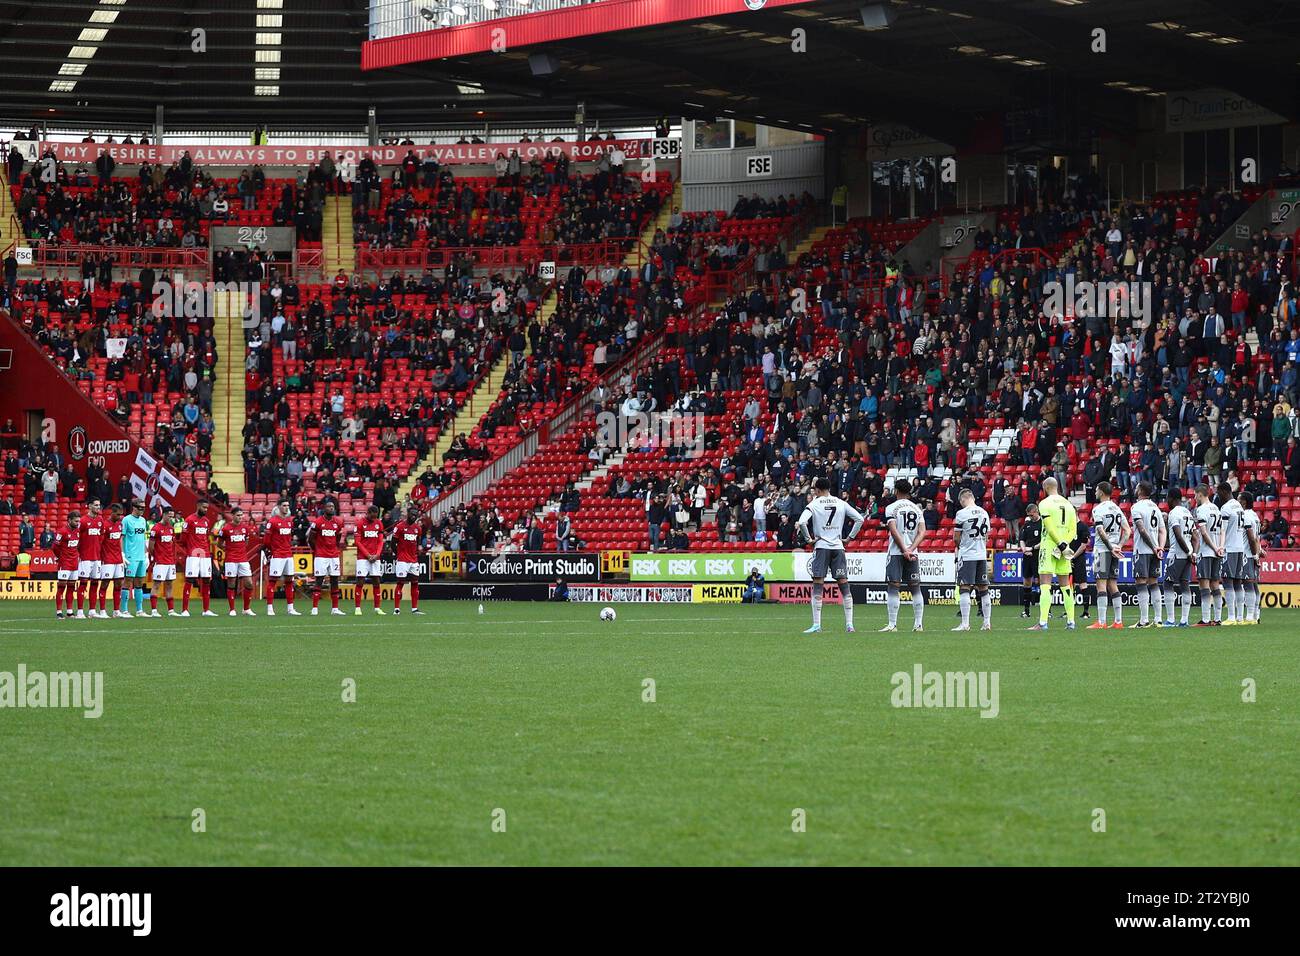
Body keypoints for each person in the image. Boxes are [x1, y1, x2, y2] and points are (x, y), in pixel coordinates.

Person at [795, 476, 864, 634]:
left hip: (821, 547)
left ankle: (817, 625)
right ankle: (849, 625)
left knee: (818, 584)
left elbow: (802, 522)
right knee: (844, 585)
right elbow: (859, 519)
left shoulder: (814, 503)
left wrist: (809, 540)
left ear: (817, 490)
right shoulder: (841, 502)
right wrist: (849, 538)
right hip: (838, 547)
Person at [1029, 477, 1077, 631]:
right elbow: (1073, 531)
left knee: (1045, 585)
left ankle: (1043, 622)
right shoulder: (1068, 504)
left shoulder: (1044, 504)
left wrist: (1059, 545)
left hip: (1050, 546)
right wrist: (1064, 545)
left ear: (1045, 487)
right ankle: (1071, 621)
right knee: (1066, 586)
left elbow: (1049, 528)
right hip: (1064, 547)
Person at [881, 478, 926, 633]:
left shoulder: (891, 508)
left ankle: (892, 624)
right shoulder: (917, 509)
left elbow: (894, 531)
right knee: (916, 588)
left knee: (893, 587)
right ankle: (918, 624)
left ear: (896, 491)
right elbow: (922, 532)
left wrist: (903, 550)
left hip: (896, 552)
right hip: (913, 553)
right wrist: (911, 549)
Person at [1089, 481, 1130, 630]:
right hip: (1114, 550)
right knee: (1113, 584)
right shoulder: (1118, 509)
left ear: (1101, 492)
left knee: (1101, 585)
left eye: (1096, 490)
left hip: (1102, 550)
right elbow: (1127, 531)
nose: (1094, 492)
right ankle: (1118, 621)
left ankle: (1101, 622)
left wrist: (1110, 547)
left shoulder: (1098, 509)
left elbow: (1100, 530)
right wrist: (1118, 545)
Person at [952, 488, 991, 631]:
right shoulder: (984, 513)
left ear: (963, 499)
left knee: (964, 588)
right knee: (984, 589)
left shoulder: (961, 514)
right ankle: (986, 623)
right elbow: (987, 536)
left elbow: (956, 538)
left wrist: (960, 547)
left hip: (968, 555)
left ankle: (965, 623)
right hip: (981, 554)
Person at [1128, 481, 1165, 628]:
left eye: (1137, 487)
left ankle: (1144, 620)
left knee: (1141, 583)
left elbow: (1142, 530)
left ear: (1140, 490)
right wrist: (1160, 548)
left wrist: (1154, 547)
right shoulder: (1156, 507)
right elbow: (1163, 530)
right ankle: (1158, 619)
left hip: (1143, 550)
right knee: (1154, 583)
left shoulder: (1136, 507)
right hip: (1155, 551)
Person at [1192, 484, 1225, 626]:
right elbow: (1223, 530)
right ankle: (1217, 619)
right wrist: (1220, 547)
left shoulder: (1201, 510)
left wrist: (1213, 547)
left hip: (1206, 552)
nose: (1194, 498)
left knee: (1204, 585)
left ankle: (1205, 619)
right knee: (1215, 585)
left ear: (1200, 494)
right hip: (1217, 552)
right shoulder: (1216, 509)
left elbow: (1204, 533)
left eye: (1195, 495)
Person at [1163, 488, 1196, 627]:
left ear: (1171, 498)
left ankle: (1170, 620)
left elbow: (1178, 535)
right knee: (1184, 585)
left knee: (1168, 584)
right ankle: (1184, 620)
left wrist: (1188, 552)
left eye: (1167, 499)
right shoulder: (1187, 512)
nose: (1166, 501)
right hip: (1187, 555)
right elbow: (1196, 537)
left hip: (1177, 554)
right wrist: (1193, 553)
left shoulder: (1174, 513)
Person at [262, 501, 300, 615]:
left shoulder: (289, 521)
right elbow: (266, 541)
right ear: (278, 507)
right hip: (278, 555)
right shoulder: (272, 521)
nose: (286, 507)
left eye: (288, 505)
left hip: (288, 554)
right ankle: (269, 608)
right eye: (284, 505)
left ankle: (290, 608)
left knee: (289, 581)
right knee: (273, 581)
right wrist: (273, 550)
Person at [309, 501, 347, 615]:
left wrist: (333, 548)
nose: (331, 508)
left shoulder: (338, 522)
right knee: (319, 580)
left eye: (333, 507)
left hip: (333, 555)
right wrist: (317, 550)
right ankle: (315, 608)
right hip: (321, 556)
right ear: (324, 509)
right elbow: (311, 539)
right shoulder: (318, 522)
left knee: (335, 580)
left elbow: (338, 537)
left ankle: (335, 609)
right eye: (329, 506)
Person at [181, 501, 217, 616]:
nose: (206, 510)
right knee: (190, 580)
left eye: (207, 508)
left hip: (205, 555)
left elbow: (206, 538)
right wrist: (191, 548)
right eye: (204, 507)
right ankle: (185, 610)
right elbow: (183, 539)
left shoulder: (207, 521)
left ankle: (206, 610)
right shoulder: (189, 520)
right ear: (197, 506)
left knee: (206, 580)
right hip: (193, 555)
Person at [1217, 483, 1246, 626]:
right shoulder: (1239, 506)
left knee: (1228, 582)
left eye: (1219, 493)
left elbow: (1223, 530)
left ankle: (1231, 617)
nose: (1218, 496)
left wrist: (1221, 547)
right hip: (1240, 548)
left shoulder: (1226, 508)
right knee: (1237, 583)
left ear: (1224, 491)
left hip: (1230, 548)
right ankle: (1240, 617)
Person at [220, 507, 257, 616]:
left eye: (241, 515)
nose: (240, 517)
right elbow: (219, 543)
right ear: (233, 516)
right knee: (231, 583)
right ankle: (232, 609)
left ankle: (246, 609)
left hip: (243, 559)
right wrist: (229, 549)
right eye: (238, 515)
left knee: (249, 583)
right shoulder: (226, 528)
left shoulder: (245, 528)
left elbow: (246, 541)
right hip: (231, 559)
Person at [392, 505, 427, 615]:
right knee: (400, 583)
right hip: (402, 560)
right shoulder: (400, 527)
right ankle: (397, 609)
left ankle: (414, 609)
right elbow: (393, 543)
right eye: (412, 514)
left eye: (415, 515)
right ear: (408, 514)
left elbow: (418, 542)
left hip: (413, 560)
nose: (414, 516)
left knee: (415, 583)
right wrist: (398, 554)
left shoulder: (418, 528)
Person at [353, 505, 387, 615]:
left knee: (376, 581)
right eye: (372, 516)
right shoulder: (359, 523)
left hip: (375, 557)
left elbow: (381, 541)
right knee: (360, 581)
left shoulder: (379, 523)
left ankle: (377, 608)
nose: (374, 519)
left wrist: (377, 554)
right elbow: (358, 542)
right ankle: (357, 608)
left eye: (375, 516)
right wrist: (368, 555)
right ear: (368, 513)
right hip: (363, 558)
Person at [120, 499, 150, 618]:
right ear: (134, 507)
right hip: (130, 556)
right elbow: (121, 538)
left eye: (144, 507)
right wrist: (122, 554)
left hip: (141, 556)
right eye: (140, 507)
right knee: (127, 582)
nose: (142, 510)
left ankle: (139, 610)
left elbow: (143, 538)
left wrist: (146, 554)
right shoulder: (126, 520)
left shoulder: (143, 521)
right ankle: (124, 610)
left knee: (139, 583)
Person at [76, 499, 105, 618]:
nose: (98, 507)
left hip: (96, 557)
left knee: (94, 584)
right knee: (83, 583)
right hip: (85, 557)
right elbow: (76, 538)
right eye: (96, 505)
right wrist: (78, 554)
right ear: (89, 506)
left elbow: (101, 537)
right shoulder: (82, 521)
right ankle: (80, 611)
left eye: (99, 505)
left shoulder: (100, 520)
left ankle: (92, 610)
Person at [149, 506, 180, 616]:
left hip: (170, 561)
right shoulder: (156, 528)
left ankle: (171, 610)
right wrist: (156, 557)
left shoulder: (171, 528)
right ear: (164, 514)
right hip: (160, 561)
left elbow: (172, 545)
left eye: (172, 517)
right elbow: (151, 547)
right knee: (156, 584)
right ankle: (154, 610)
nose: (171, 519)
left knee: (169, 584)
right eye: (170, 516)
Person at [100, 503, 128, 619]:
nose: (120, 516)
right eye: (118, 514)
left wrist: (122, 555)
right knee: (105, 584)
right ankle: (102, 611)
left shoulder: (120, 525)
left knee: (118, 584)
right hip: (107, 559)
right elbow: (100, 542)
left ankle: (116, 611)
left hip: (118, 559)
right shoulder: (105, 525)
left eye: (121, 514)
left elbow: (119, 540)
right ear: (112, 513)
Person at [52, 512, 82, 620]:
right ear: (69, 520)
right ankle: (59, 611)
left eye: (79, 521)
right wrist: (59, 557)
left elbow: (77, 545)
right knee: (61, 587)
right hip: (64, 563)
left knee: (71, 587)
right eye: (76, 521)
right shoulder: (62, 531)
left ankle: (69, 611)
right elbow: (55, 547)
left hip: (74, 563)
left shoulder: (78, 531)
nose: (78, 523)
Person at [1239, 492, 1263, 625]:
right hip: (1253, 553)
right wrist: (1259, 551)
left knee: (1248, 585)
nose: (1237, 502)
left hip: (1247, 554)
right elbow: (1257, 538)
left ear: (1244, 502)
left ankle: (1249, 617)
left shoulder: (1246, 516)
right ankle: (1255, 615)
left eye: (1239, 499)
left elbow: (1252, 538)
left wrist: (1254, 555)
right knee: (1253, 585)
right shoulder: (1255, 516)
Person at [1018, 503, 1041, 619]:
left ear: (1036, 511)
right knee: (1027, 582)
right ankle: (1026, 611)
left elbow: (1044, 542)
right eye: (1029, 516)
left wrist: (1032, 548)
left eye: (1032, 515)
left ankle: (1047, 611)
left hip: (1039, 555)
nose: (1030, 517)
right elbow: (1022, 539)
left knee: (1041, 581)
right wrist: (1024, 550)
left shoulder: (1043, 524)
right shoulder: (1026, 525)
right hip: (1027, 556)